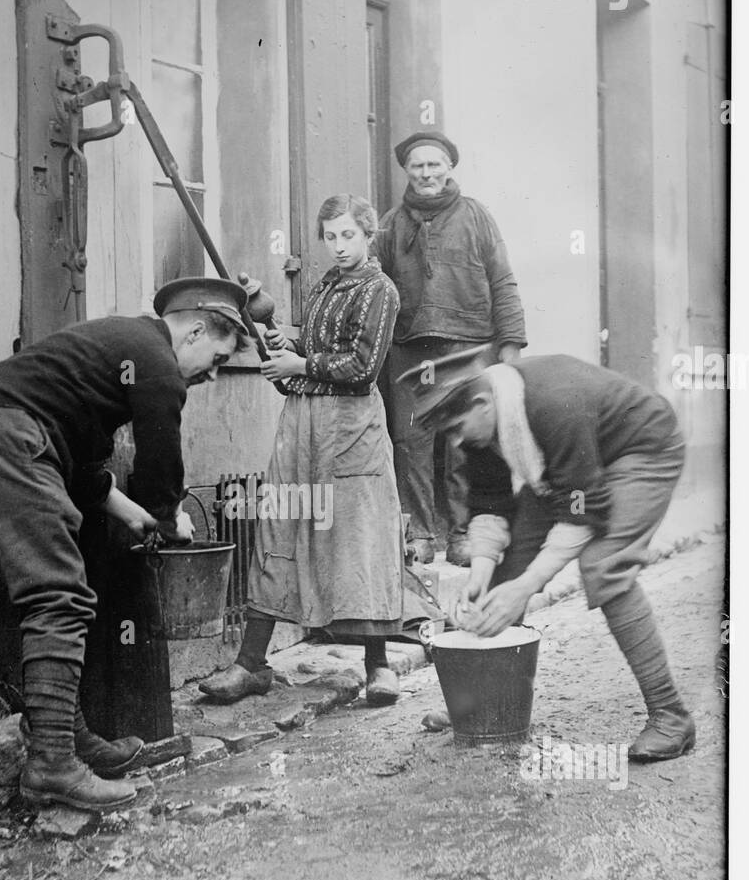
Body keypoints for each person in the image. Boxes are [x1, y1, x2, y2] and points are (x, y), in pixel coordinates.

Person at [0, 278, 251, 812]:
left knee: (62, 595)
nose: (213, 372)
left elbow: (83, 465)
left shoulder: (123, 347)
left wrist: (131, 513)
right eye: (217, 357)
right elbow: (161, 455)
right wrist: (166, 514)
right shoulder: (156, 359)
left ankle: (69, 740)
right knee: (57, 598)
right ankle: (51, 767)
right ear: (196, 330)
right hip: (13, 443)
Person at [403, 345, 694, 762]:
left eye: (456, 428)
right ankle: (481, 702)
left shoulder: (555, 405)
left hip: (639, 450)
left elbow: (581, 511)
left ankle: (671, 716)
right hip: (574, 468)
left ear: (483, 404)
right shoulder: (484, 418)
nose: (456, 440)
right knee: (508, 563)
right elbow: (490, 503)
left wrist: (527, 587)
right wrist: (482, 574)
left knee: (603, 565)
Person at [199, 194, 405, 707]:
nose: (338, 246)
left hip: (352, 428)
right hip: (302, 425)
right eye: (330, 237)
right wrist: (281, 354)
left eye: (348, 236)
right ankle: (250, 664)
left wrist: (300, 366)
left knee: (357, 538)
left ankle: (378, 666)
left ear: (367, 235)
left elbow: (361, 369)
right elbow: (300, 370)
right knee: (280, 525)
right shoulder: (322, 289)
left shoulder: (381, 291)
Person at [375, 129, 527, 566]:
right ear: (406, 171)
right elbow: (375, 286)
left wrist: (511, 344)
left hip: (469, 345)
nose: (426, 174)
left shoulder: (477, 216)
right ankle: (421, 535)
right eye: (418, 166)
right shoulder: (390, 224)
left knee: (465, 441)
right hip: (410, 347)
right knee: (410, 439)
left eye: (434, 165)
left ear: (449, 168)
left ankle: (462, 535)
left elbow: (503, 279)